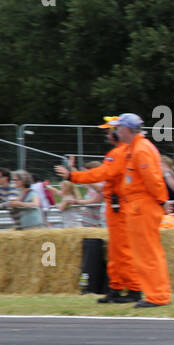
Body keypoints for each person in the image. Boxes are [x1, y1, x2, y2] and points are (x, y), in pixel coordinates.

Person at [61, 113, 170, 307]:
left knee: (146, 253)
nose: (115, 132)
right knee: (138, 253)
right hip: (134, 205)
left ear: (126, 129)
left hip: (140, 205)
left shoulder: (139, 149)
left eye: (117, 128)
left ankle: (157, 295)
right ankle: (147, 292)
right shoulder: (133, 149)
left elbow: (153, 180)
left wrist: (162, 202)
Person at [55, 117, 141, 303]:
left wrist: (72, 175)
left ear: (117, 132)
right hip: (116, 206)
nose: (107, 135)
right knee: (115, 251)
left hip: (120, 207)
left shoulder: (118, 153)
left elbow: (101, 174)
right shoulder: (120, 152)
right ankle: (116, 288)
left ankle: (134, 290)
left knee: (122, 251)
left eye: (109, 131)